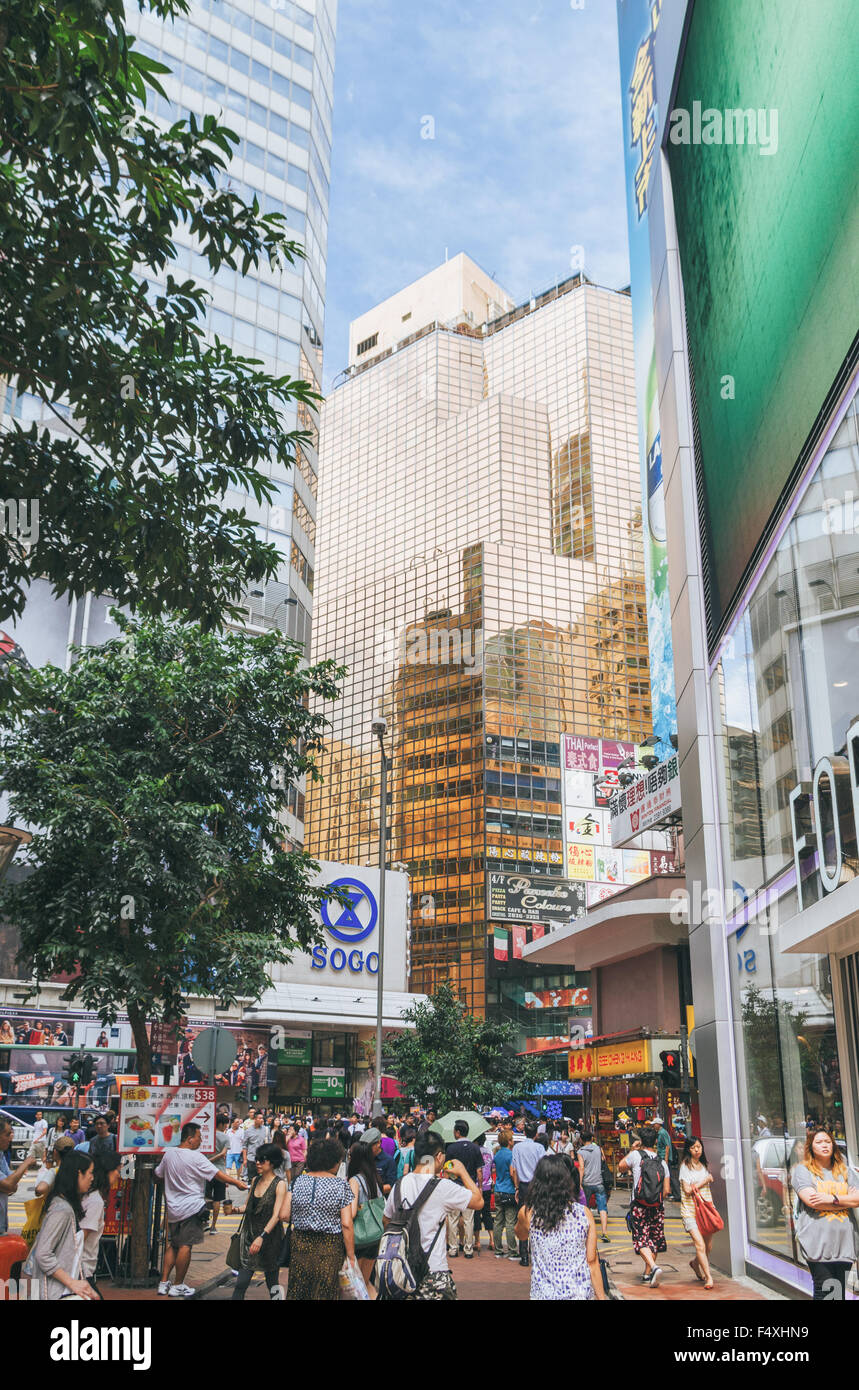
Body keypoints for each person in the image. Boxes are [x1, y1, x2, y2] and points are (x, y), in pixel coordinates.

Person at [382, 1129, 483, 1300]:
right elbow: (478, 1201)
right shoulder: (442, 1187)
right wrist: (462, 1171)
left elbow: (387, 1221)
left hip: (401, 1273)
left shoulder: (400, 1185)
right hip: (433, 1273)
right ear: (439, 1157)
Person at [155, 1121, 248, 1297]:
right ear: (190, 1139)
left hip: (173, 1210)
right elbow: (218, 1175)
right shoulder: (196, 1157)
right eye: (199, 1137)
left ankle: (163, 1282)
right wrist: (237, 1183)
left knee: (173, 1245)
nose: (201, 1140)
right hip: (191, 1209)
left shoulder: (169, 1154)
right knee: (185, 1247)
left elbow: (158, 1174)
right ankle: (177, 1285)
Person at [515, 1154, 605, 1301]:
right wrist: (601, 1297)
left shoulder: (528, 1213)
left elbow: (521, 1235)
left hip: (543, 1295)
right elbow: (592, 1261)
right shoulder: (583, 1213)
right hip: (579, 1294)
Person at [284, 1138, 357, 1301]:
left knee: (299, 1289)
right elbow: (346, 1223)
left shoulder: (297, 1182)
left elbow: (283, 1214)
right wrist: (351, 1256)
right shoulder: (341, 1185)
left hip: (300, 1244)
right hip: (329, 1247)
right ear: (333, 1162)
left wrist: (304, 1217)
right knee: (325, 1290)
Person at [791, 1126, 859, 1301]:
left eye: (828, 1141)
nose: (824, 1145)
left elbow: (858, 1199)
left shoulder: (844, 1170)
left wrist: (832, 1199)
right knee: (825, 1291)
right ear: (811, 1147)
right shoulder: (803, 1171)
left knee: (838, 1293)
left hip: (845, 1243)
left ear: (833, 1145)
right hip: (817, 1243)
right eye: (819, 1142)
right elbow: (812, 1200)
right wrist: (845, 1199)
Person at [24, 1150, 98, 1300]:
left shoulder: (65, 1206)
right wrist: (73, 1283)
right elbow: (43, 1254)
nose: (92, 1177)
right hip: (55, 1293)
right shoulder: (61, 1210)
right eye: (90, 1172)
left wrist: (82, 1283)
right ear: (78, 1174)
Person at [232, 1143, 289, 1301]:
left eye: (262, 1160)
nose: (257, 1163)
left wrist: (262, 1236)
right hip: (250, 1237)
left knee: (272, 1283)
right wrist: (234, 1210)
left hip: (270, 1240)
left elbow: (277, 1215)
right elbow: (248, 1206)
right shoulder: (255, 1180)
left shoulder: (280, 1184)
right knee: (241, 1283)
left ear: (272, 1162)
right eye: (257, 1159)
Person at [618, 1126, 670, 1288]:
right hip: (657, 1206)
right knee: (653, 1239)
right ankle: (647, 1275)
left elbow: (620, 1167)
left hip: (639, 1205)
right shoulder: (661, 1162)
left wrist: (632, 1149)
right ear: (655, 1141)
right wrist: (655, 1198)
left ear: (640, 1141)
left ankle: (653, 1268)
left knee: (641, 1239)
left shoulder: (635, 1155)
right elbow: (667, 1190)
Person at [347, 1137, 384, 1297]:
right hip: (375, 1235)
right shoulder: (374, 1177)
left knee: (357, 1283)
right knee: (366, 1281)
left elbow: (353, 1211)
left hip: (360, 1238)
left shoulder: (355, 1180)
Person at [679, 1136, 717, 1291]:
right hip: (689, 1211)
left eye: (699, 1147)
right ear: (688, 1149)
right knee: (700, 1245)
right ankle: (708, 1276)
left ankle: (695, 1264)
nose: (697, 1150)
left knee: (708, 1246)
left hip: (705, 1211)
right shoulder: (685, 1167)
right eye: (694, 1147)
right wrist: (705, 1180)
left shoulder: (703, 1165)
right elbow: (688, 1190)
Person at [81, 1150, 122, 1288]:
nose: (119, 1175)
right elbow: (80, 1239)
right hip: (81, 1271)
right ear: (107, 1172)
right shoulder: (95, 1201)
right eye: (117, 1170)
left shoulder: (90, 1196)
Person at [444, 1120, 484, 1259]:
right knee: (468, 1220)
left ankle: (453, 1249)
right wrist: (479, 1187)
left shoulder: (450, 1149)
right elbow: (479, 1171)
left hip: (454, 1188)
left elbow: (447, 1170)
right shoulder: (475, 1148)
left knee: (453, 1219)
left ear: (458, 1132)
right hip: (469, 1189)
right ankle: (468, 1249)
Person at [511, 1121, 545, 1266]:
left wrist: (517, 1187)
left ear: (524, 1133)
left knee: (523, 1218)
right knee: (538, 1218)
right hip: (537, 1185)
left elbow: (514, 1170)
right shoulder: (539, 1148)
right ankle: (537, 1253)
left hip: (524, 1186)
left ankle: (524, 1256)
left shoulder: (517, 1148)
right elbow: (544, 1168)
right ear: (536, 1134)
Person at [0, 1115, 38, 1233]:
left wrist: (9, 1184)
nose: (10, 1139)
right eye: (7, 1135)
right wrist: (25, 1164)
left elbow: (13, 1187)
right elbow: (9, 1185)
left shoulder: (1, 1155)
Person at [578, 1130, 610, 1244]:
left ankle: (587, 1233)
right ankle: (605, 1233)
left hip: (586, 1183)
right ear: (591, 1139)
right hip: (599, 1182)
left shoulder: (580, 1151)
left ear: (581, 1140)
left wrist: (580, 1183)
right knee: (602, 1208)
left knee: (584, 1209)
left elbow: (581, 1168)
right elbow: (603, 1161)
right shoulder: (598, 1149)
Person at [491, 1132, 519, 1260]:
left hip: (498, 1189)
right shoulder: (511, 1155)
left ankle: (498, 1250)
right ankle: (512, 1250)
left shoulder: (497, 1155)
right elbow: (513, 1172)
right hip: (509, 1190)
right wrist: (517, 1186)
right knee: (510, 1221)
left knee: (498, 1220)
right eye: (512, 1139)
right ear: (509, 1141)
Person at [207, 1114, 231, 1232]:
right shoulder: (225, 1137)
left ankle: (204, 1220)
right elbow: (223, 1155)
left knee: (206, 1197)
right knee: (217, 1199)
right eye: (226, 1124)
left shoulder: (208, 1135)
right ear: (221, 1124)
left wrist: (206, 1161)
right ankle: (213, 1226)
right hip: (219, 1172)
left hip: (206, 1171)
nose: (226, 1126)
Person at [360, 1126, 397, 1195]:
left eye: (369, 1146)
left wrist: (369, 1191)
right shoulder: (363, 1158)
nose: (366, 1149)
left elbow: (390, 1186)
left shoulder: (388, 1161)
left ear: (379, 1143)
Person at [476, 1134, 495, 1254]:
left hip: (476, 1186)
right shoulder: (489, 1152)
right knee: (487, 1213)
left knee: (476, 1214)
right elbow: (493, 1169)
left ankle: (477, 1241)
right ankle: (492, 1240)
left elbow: (477, 1170)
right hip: (487, 1186)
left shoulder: (474, 1151)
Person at [653, 1114, 679, 1200]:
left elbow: (667, 1146)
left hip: (665, 1158)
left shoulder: (663, 1133)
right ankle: (671, 1193)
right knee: (667, 1175)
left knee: (670, 1176)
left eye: (654, 1124)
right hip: (662, 1157)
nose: (653, 1126)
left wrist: (666, 1159)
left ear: (658, 1124)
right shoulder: (660, 1133)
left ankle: (677, 1194)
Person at [241, 1111, 270, 1176]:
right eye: (259, 1118)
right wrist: (245, 1159)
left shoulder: (266, 1129)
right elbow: (244, 1146)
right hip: (251, 1159)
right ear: (255, 1119)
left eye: (262, 1118)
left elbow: (269, 1144)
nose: (262, 1120)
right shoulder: (248, 1131)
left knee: (262, 1179)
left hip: (262, 1159)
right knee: (251, 1179)